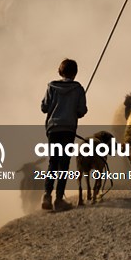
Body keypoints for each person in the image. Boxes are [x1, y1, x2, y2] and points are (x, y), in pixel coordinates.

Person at [40, 58, 87, 212]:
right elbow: (81, 111)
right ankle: (59, 199)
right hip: (68, 130)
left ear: (60, 72)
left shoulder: (51, 87)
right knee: (64, 164)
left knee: (53, 162)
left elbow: (44, 107)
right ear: (75, 73)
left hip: (53, 128)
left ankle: (47, 196)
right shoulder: (78, 89)